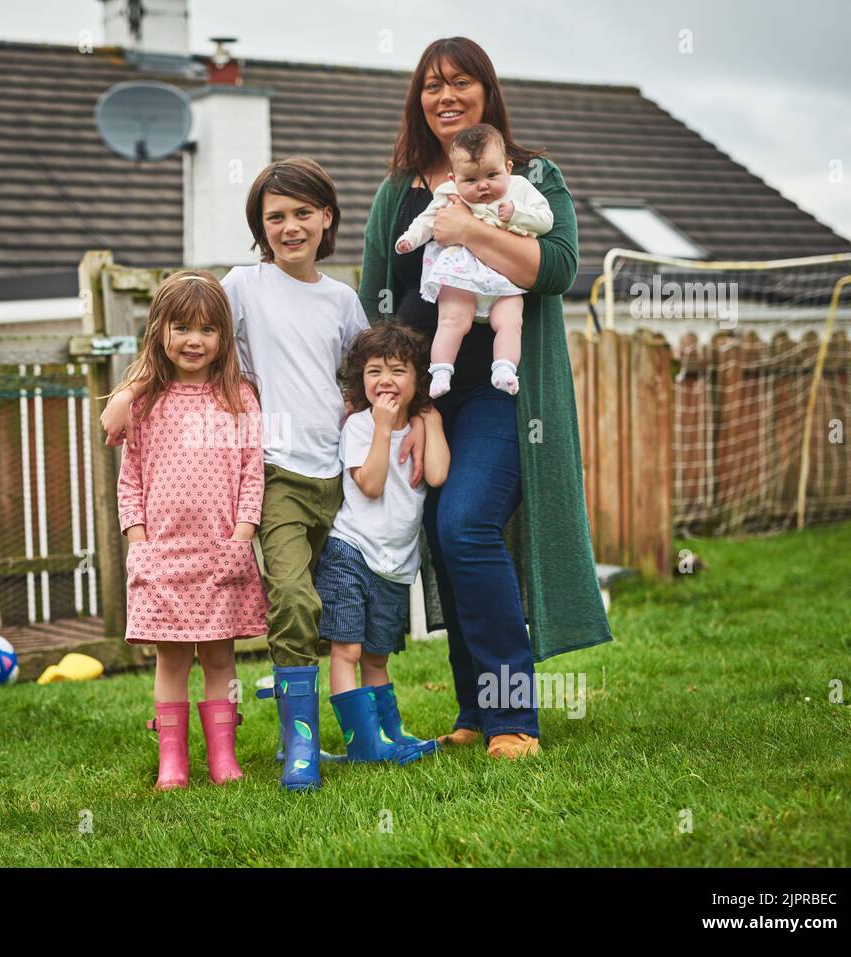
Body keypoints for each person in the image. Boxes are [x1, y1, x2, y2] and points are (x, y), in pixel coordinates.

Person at [103, 157, 428, 791]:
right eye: (275, 217)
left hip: (335, 476)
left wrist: (426, 420)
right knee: (294, 599)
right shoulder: (244, 286)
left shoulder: (341, 300)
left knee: (340, 607)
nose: (290, 226)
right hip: (274, 475)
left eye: (303, 213)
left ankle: (352, 734)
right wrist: (129, 391)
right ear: (260, 226)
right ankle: (299, 748)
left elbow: (377, 375)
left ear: (327, 218)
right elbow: (189, 330)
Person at [359, 37, 613, 761]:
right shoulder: (400, 191)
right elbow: (380, 299)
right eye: (432, 85)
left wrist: (469, 229)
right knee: (445, 535)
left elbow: (557, 268)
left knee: (468, 523)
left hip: (508, 391)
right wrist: (391, 401)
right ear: (419, 100)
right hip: (432, 394)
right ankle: (473, 705)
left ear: (486, 92)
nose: (445, 96)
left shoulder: (530, 175)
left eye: (461, 82)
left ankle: (514, 717)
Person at [112, 269, 268, 790]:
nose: (194, 341)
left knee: (221, 657)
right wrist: (139, 544)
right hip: (162, 556)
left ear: (224, 336)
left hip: (221, 552)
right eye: (181, 328)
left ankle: (224, 759)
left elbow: (252, 473)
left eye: (207, 330)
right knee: (172, 656)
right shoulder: (143, 402)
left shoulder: (240, 398)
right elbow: (129, 478)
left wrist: (241, 538)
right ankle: (172, 763)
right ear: (160, 331)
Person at [315, 324, 448, 764]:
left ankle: (389, 734)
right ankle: (364, 745)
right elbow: (370, 484)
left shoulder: (421, 424)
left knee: (376, 656)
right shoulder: (357, 425)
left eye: (398, 370)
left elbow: (437, 475)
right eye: (374, 371)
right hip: (350, 552)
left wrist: (431, 418)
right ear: (361, 380)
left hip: (395, 563)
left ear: (418, 381)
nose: (385, 380)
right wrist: (382, 427)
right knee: (347, 649)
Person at [396, 123, 554, 398]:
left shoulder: (521, 190)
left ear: (508, 167)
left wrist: (516, 213)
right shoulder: (449, 194)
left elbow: (545, 220)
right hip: (461, 272)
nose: (483, 186)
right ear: (453, 178)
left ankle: (504, 369)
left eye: (492, 175)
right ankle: (441, 370)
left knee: (510, 321)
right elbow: (428, 220)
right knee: (452, 320)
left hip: (504, 275)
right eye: (471, 180)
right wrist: (411, 238)